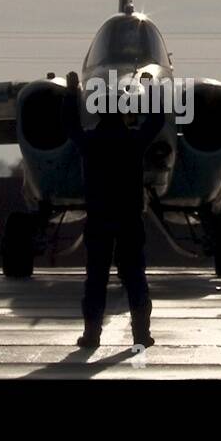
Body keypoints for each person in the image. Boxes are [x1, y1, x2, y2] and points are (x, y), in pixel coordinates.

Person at [62, 71, 166, 348]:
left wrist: (72, 91)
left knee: (96, 278)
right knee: (134, 277)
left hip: (98, 219)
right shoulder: (133, 142)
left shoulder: (89, 142)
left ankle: (91, 335)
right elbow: (157, 120)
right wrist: (151, 87)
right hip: (129, 219)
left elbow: (70, 125)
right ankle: (141, 335)